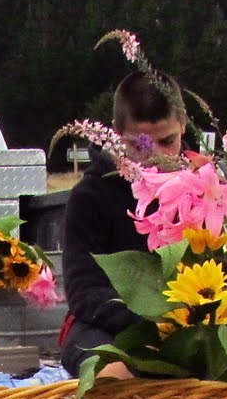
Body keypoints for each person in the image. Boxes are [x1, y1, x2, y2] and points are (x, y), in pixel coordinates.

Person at [58, 70, 190, 376]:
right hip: (111, 324)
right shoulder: (91, 195)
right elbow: (84, 291)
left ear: (183, 124)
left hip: (195, 322)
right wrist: (153, 320)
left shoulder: (207, 185)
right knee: (111, 373)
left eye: (167, 141)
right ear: (116, 133)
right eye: (141, 145)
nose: (156, 157)